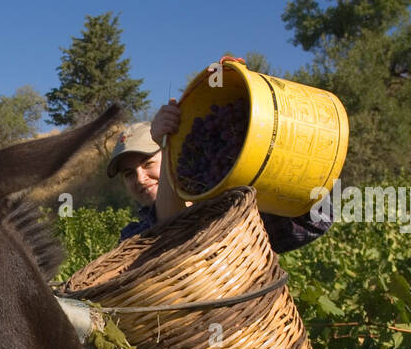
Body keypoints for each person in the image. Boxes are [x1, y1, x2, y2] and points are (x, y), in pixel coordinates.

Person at [106, 107, 330, 253]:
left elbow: (317, 220)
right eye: (128, 174)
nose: (140, 178)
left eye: (148, 164)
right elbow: (169, 230)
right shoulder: (132, 238)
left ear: (172, 155)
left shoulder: (228, 209)